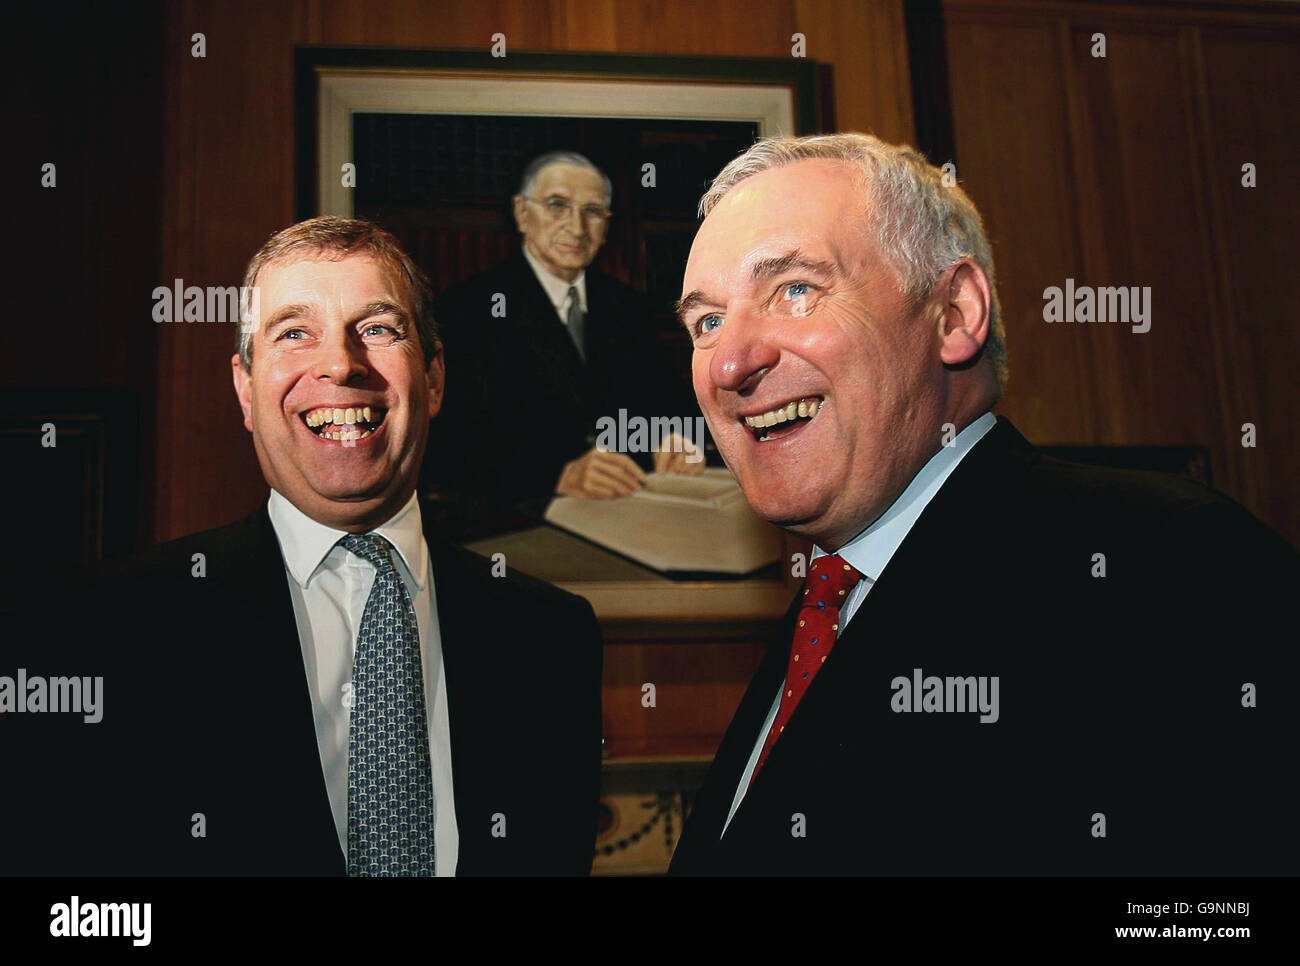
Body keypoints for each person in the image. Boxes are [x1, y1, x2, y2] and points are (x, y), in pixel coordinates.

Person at [667, 134, 1299, 876]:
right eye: (706, 322)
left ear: (954, 314)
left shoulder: (1171, 565)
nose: (732, 362)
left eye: (795, 290)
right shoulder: (826, 611)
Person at [4, 217, 603, 876]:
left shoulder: (552, 637)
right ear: (244, 388)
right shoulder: (104, 628)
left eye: (377, 328)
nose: (341, 364)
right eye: (295, 333)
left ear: (432, 380)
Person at [426, 150, 701, 513]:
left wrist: (675, 438)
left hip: (633, 509)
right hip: (517, 522)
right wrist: (556, 475)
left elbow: (668, 403)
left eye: (592, 211)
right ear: (523, 214)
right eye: (558, 205)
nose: (576, 227)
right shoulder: (466, 310)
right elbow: (448, 446)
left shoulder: (629, 307)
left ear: (606, 225)